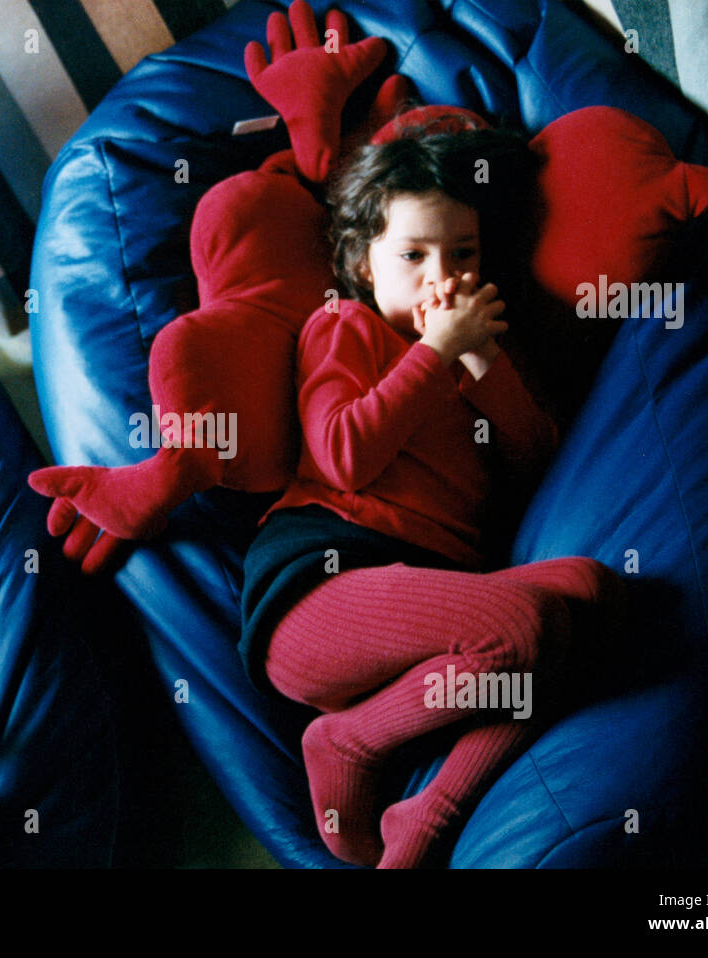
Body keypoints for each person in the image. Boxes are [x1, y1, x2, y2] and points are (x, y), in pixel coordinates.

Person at [239, 128, 625, 869]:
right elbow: (344, 456)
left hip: (425, 606)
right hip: (319, 588)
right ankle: (359, 751)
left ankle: (404, 783)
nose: (439, 278)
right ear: (363, 264)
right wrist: (435, 351)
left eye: (463, 254)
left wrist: (480, 358)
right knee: (524, 626)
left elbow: (535, 455)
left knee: (592, 597)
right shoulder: (342, 327)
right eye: (412, 256)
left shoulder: (476, 355)